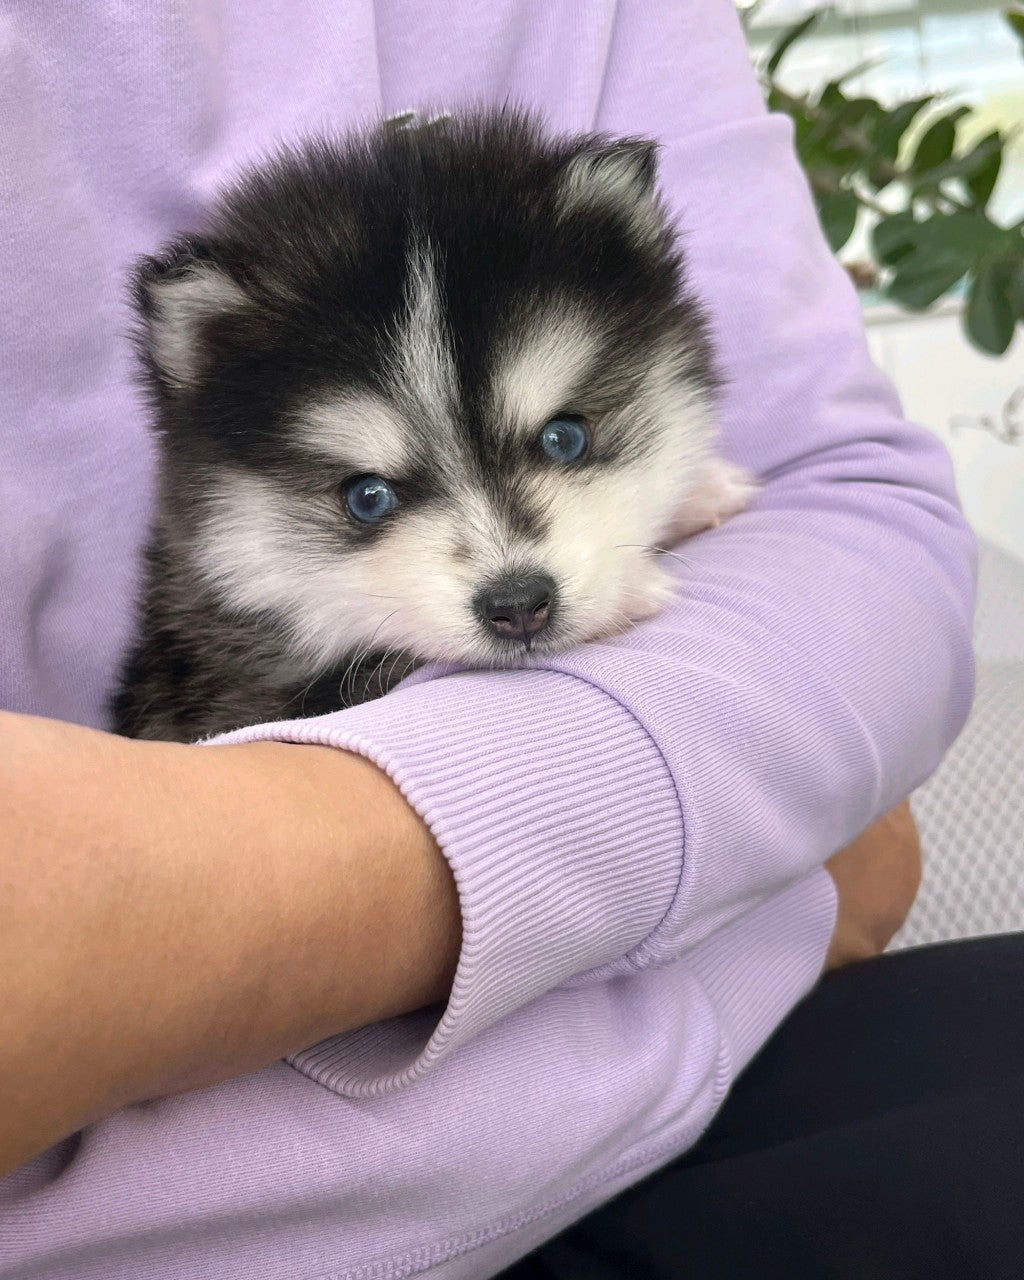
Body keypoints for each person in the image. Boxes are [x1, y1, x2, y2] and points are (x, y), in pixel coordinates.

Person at [0, 0, 1007, 1276]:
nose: (506, 568)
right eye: (371, 497)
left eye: (564, 439)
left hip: (703, 1106)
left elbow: (852, 516)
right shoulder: (225, 664)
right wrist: (758, 868)